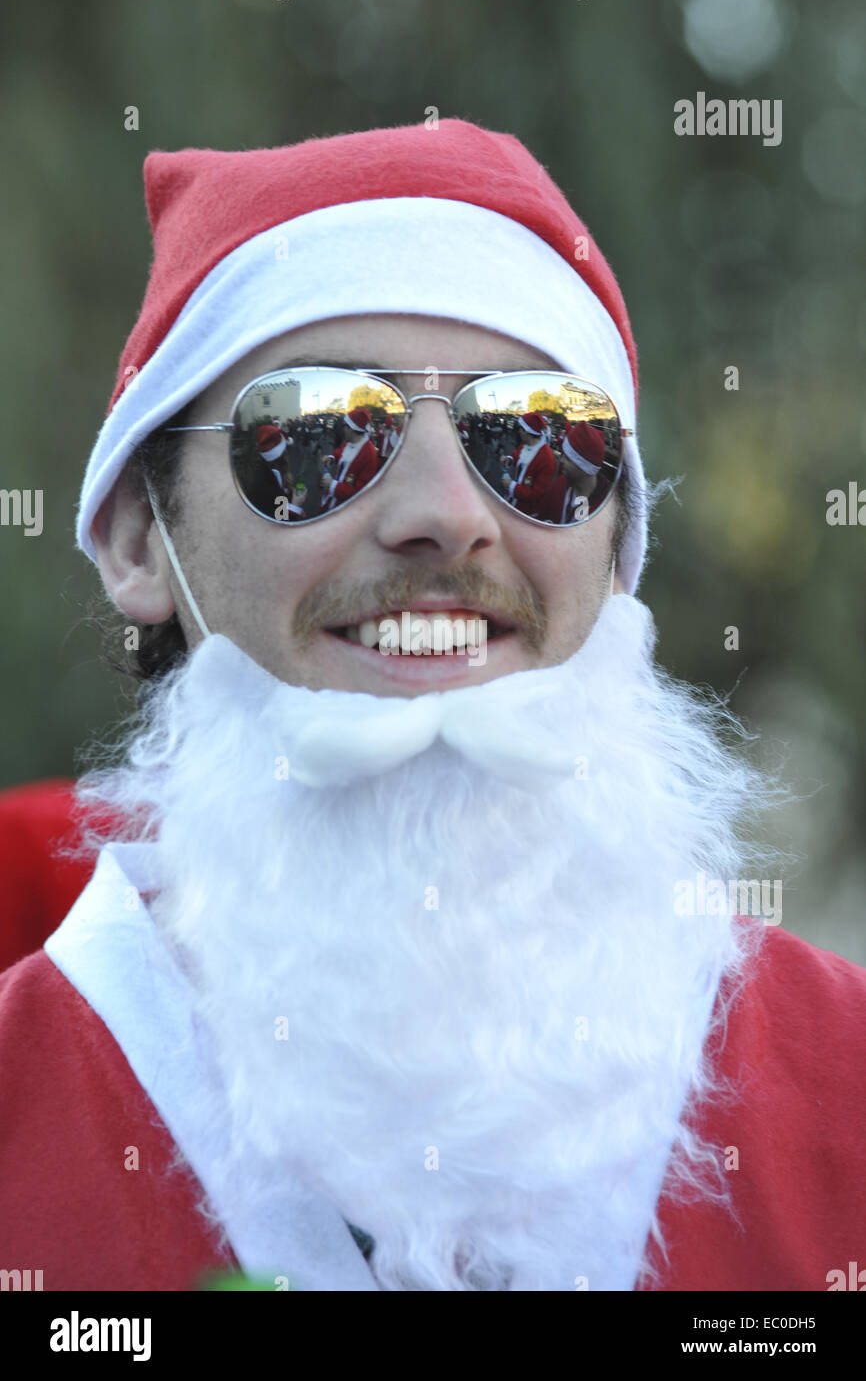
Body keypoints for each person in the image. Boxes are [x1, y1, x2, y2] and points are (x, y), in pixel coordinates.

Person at [1, 118, 864, 1294]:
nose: (446, 514)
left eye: (537, 439)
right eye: (316, 433)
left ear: (615, 546)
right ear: (139, 540)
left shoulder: (844, 1074)